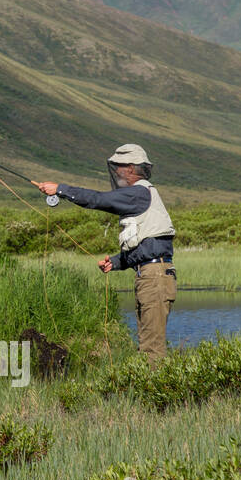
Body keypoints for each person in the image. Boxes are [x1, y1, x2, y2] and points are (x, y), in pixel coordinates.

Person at [34, 144, 176, 364]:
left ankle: (158, 396)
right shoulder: (141, 194)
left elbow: (98, 200)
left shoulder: (139, 193)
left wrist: (60, 189)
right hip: (150, 277)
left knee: (151, 351)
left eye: (118, 167)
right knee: (147, 345)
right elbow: (150, 245)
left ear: (130, 168)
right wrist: (117, 262)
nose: (116, 172)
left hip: (154, 278)